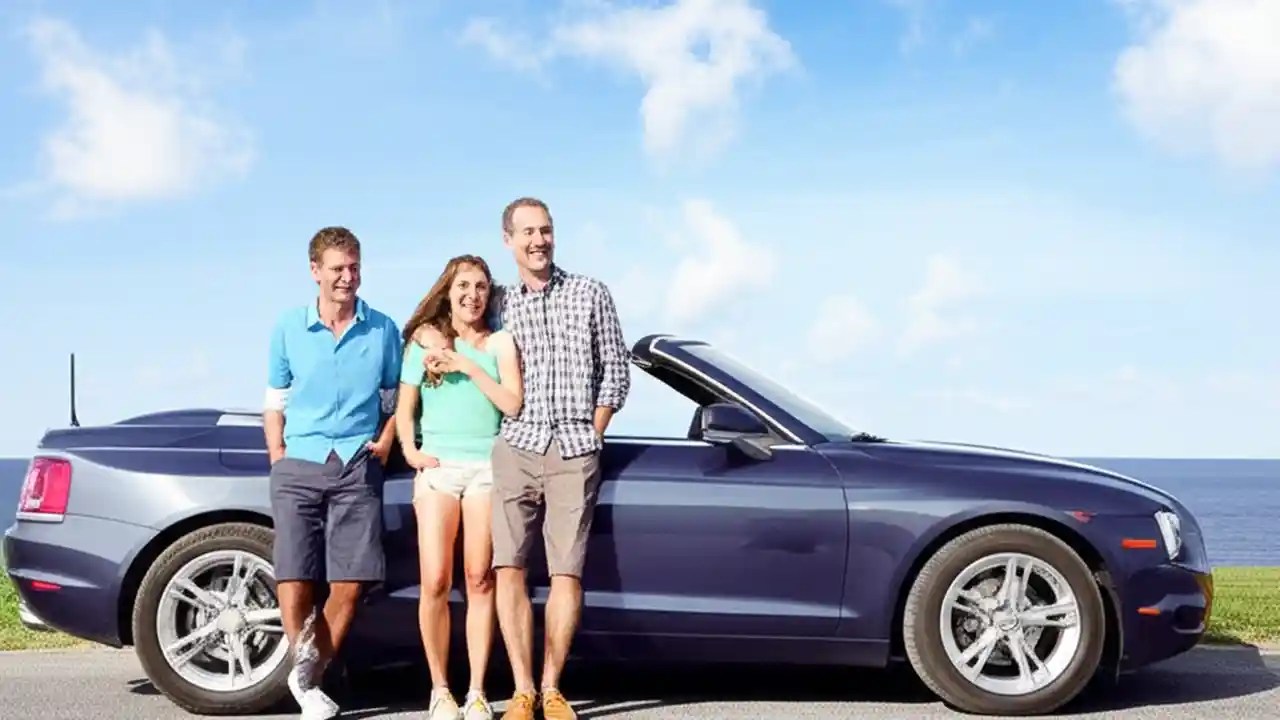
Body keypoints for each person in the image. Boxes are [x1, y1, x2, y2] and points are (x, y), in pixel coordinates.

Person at [488, 197, 631, 720]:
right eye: (526, 232)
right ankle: (522, 691)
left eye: (545, 230)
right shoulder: (499, 303)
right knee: (509, 568)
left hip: (574, 449)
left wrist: (594, 432)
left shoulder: (590, 292)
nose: (538, 241)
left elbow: (616, 369)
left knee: (566, 572)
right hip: (517, 445)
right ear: (508, 241)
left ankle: (552, 689)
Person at [263, 226, 403, 720]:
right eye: (338, 268)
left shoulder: (383, 329)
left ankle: (308, 678)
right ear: (315, 271)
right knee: (296, 572)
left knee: (351, 580)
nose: (348, 277)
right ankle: (308, 681)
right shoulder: (288, 327)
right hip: (299, 461)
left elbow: (393, 399)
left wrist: (387, 437)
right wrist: (278, 454)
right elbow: (274, 401)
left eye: (355, 267)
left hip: (357, 463)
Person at [394, 254, 523, 720]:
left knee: (479, 578)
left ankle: (476, 692)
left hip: (487, 468)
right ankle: (440, 690)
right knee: (435, 580)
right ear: (449, 290)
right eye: (464, 286)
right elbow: (405, 409)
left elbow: (511, 404)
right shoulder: (424, 342)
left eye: (481, 287)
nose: (473, 295)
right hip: (439, 469)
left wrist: (468, 366)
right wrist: (411, 451)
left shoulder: (499, 343)